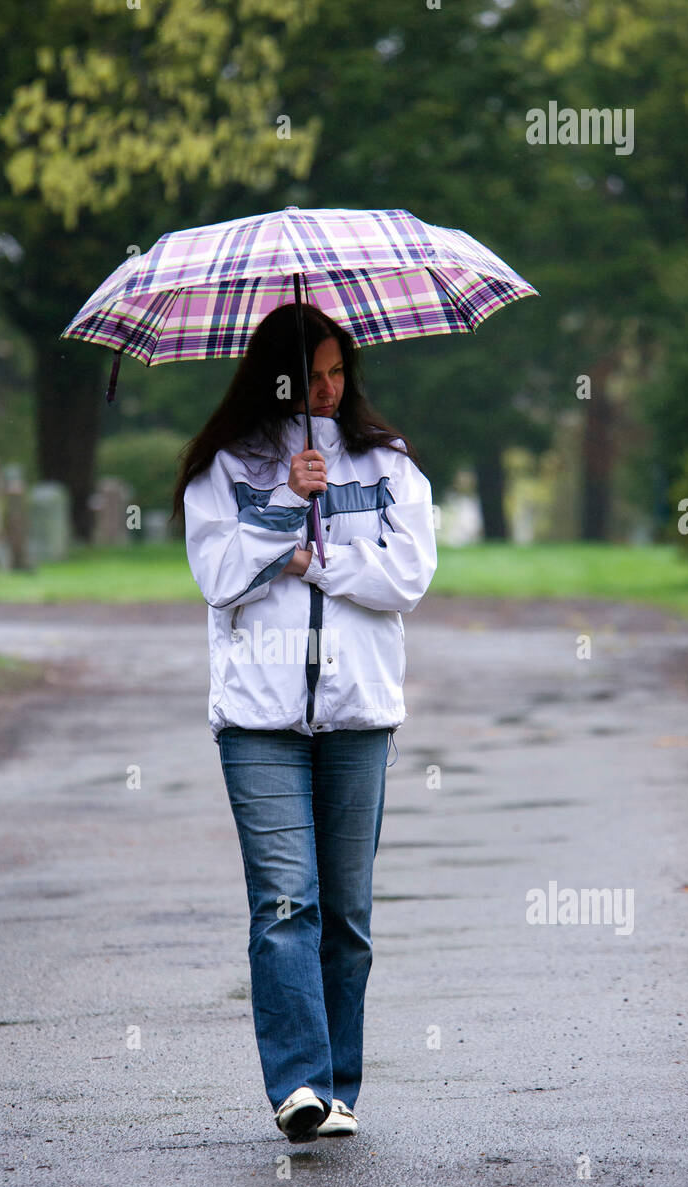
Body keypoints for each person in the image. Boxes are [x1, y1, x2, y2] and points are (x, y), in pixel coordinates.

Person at [172, 303, 437, 1143]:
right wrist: (285, 503)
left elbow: (408, 575)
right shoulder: (228, 466)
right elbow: (218, 575)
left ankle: (341, 1088)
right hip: (259, 719)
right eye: (309, 377)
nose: (325, 390)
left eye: (335, 375)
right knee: (286, 902)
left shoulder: (385, 462)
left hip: (358, 713)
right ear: (271, 380)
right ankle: (299, 1086)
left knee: (348, 916)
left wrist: (315, 561)